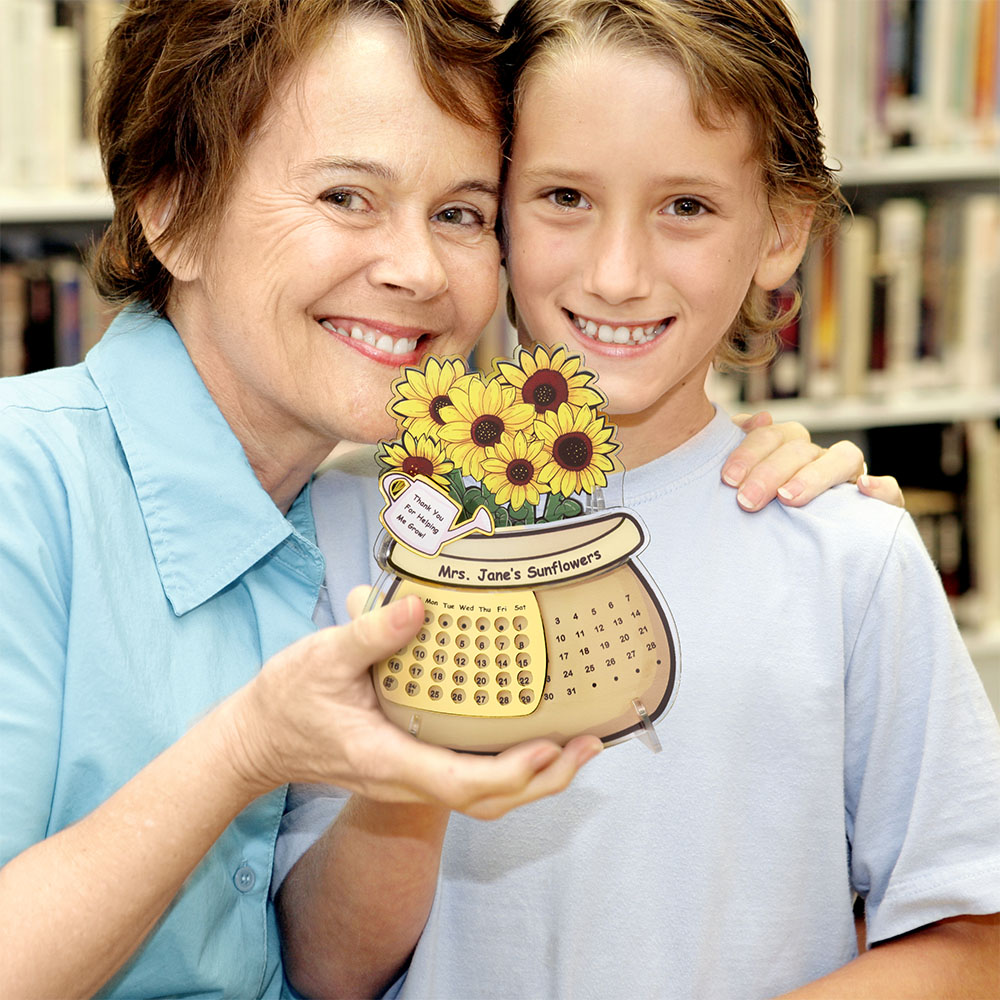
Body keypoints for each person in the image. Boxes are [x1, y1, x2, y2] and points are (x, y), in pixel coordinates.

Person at [274, 1, 1000, 997]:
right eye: (564, 196)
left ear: (782, 230)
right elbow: (321, 967)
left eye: (686, 207)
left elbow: (971, 940)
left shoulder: (849, 554)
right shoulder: (349, 528)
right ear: (492, 213)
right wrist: (418, 756)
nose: (617, 275)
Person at [0, 2, 615, 996]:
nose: (417, 270)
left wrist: (807, 497)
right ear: (172, 212)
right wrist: (247, 748)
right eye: (346, 196)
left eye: (460, 214)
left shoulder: (377, 521)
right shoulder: (20, 486)